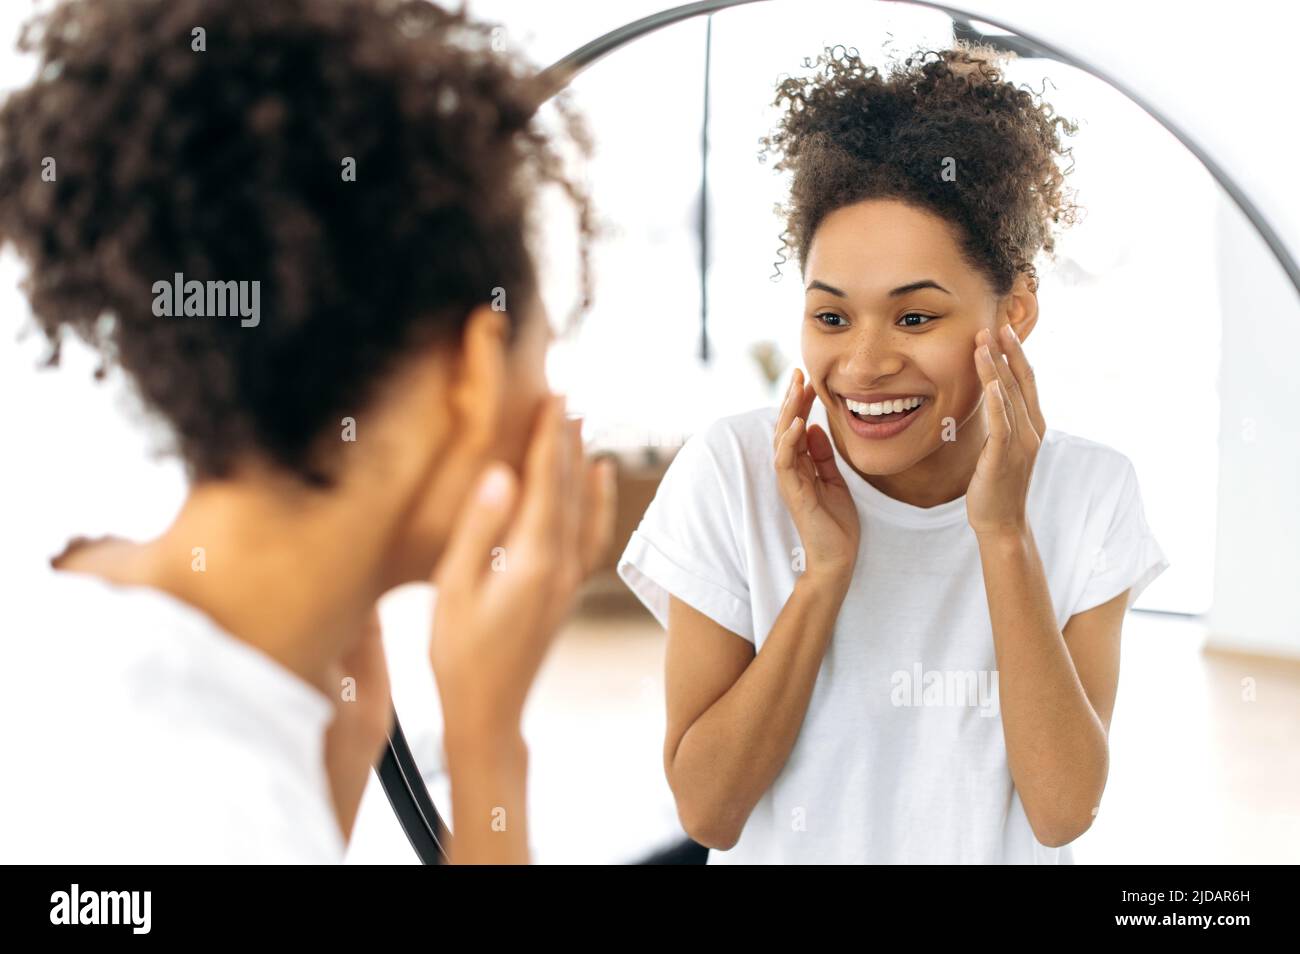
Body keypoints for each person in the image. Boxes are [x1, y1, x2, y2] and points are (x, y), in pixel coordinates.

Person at [0, 0, 613, 864]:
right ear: (473, 373)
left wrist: (332, 769)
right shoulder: (214, 811)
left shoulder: (75, 616)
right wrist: (488, 749)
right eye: (541, 353)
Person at [617, 43, 1170, 864]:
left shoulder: (1090, 492)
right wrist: (823, 577)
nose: (865, 364)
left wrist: (1005, 536)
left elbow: (1061, 813)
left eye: (915, 318)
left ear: (1013, 313)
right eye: (832, 318)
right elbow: (709, 812)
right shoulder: (733, 472)